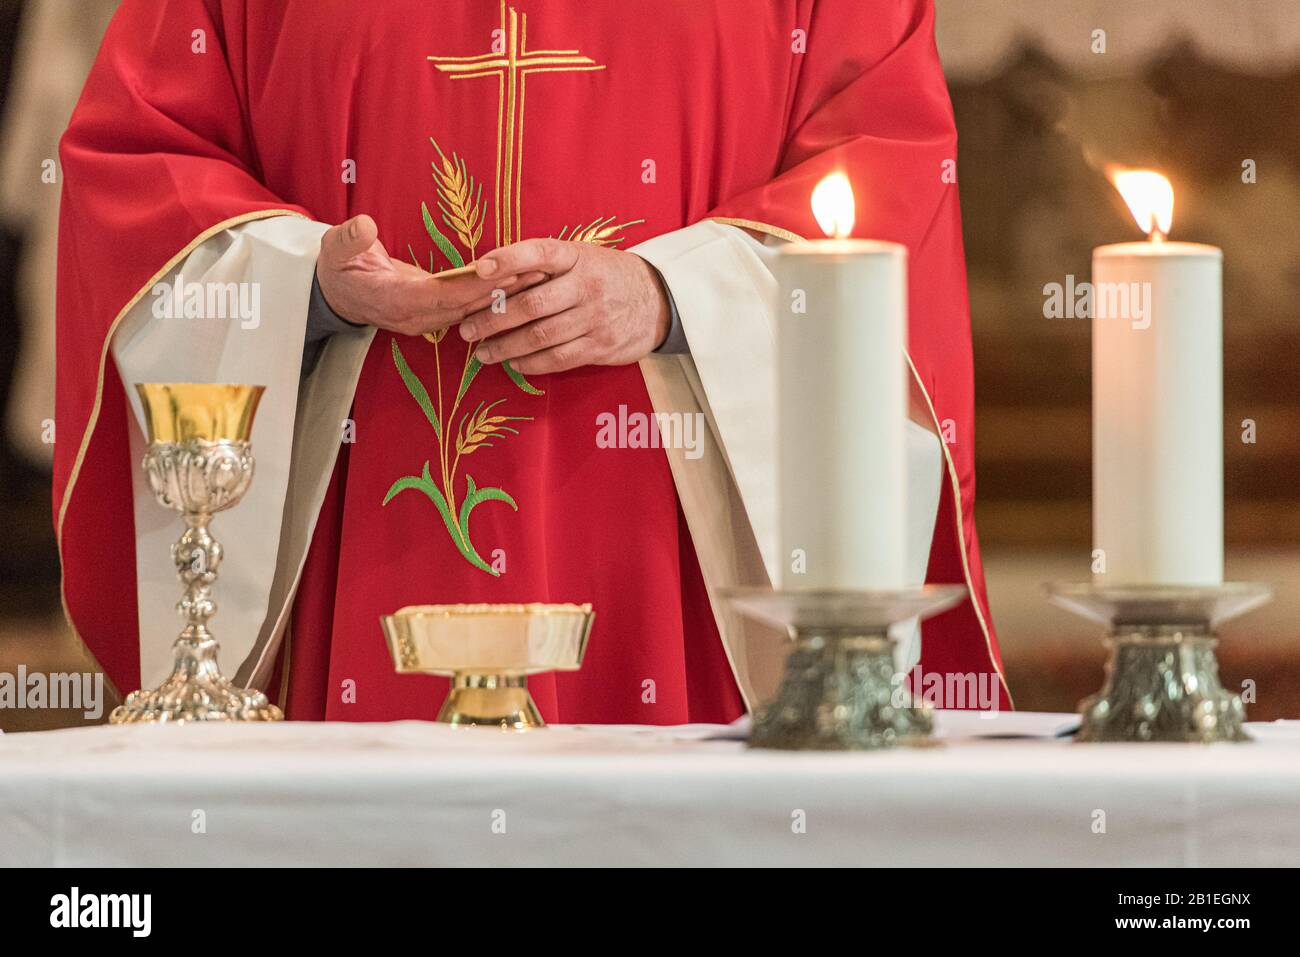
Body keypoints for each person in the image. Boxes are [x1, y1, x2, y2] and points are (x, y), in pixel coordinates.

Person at [55, 0, 1010, 722]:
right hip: (361, 492)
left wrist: (672, 297)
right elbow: (138, 172)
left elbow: (887, 171)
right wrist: (308, 283)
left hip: (673, 545)